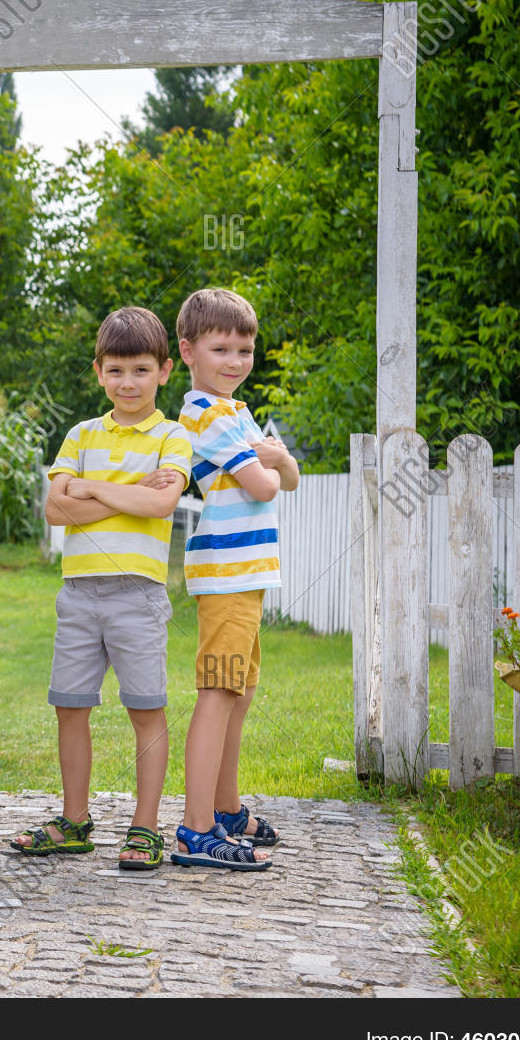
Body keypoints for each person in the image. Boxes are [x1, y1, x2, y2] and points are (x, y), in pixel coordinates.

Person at [8, 306, 190, 870]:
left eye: (140, 370)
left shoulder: (173, 436)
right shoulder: (80, 434)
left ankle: (144, 827)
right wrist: (125, 486)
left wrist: (90, 489)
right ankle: (75, 821)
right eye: (116, 370)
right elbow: (54, 511)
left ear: (163, 371)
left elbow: (161, 503)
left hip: (137, 594)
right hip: (79, 595)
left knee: (146, 711)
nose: (127, 382)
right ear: (98, 371)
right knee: (70, 708)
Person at [170, 288, 299, 870]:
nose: (236, 361)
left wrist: (272, 459)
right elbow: (267, 485)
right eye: (221, 349)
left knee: (239, 692)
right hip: (224, 575)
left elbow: (289, 475)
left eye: (245, 349)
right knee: (218, 692)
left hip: (247, 577)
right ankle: (196, 830)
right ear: (189, 350)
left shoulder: (237, 412)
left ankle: (224, 808)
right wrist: (269, 460)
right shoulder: (207, 413)